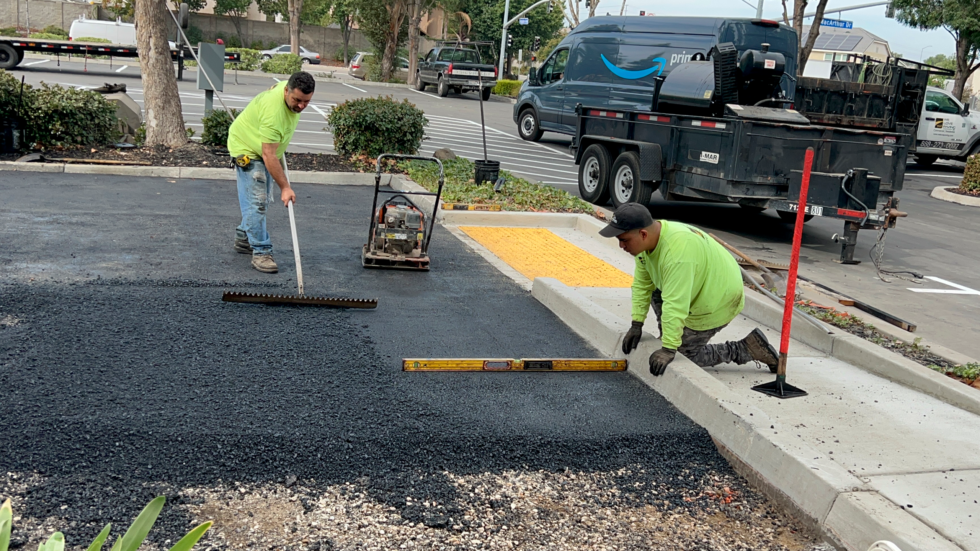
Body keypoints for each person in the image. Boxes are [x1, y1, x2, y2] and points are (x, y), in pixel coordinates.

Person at [599, 202, 780, 376]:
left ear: (643, 234)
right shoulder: (648, 244)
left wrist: (670, 348)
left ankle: (746, 348)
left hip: (718, 300)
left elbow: (674, 303)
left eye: (624, 240)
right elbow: (642, 285)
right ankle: (675, 335)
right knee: (656, 291)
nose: (621, 246)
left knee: (682, 358)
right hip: (696, 286)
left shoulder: (677, 255)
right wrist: (636, 324)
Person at [227, 71, 315, 273]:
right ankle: (261, 251)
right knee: (257, 202)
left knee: (261, 199)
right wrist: (285, 187)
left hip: (264, 147)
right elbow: (268, 155)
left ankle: (244, 237)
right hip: (248, 149)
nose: (301, 106)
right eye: (297, 100)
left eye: (306, 101)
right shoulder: (273, 115)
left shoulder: (286, 86)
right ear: (286, 91)